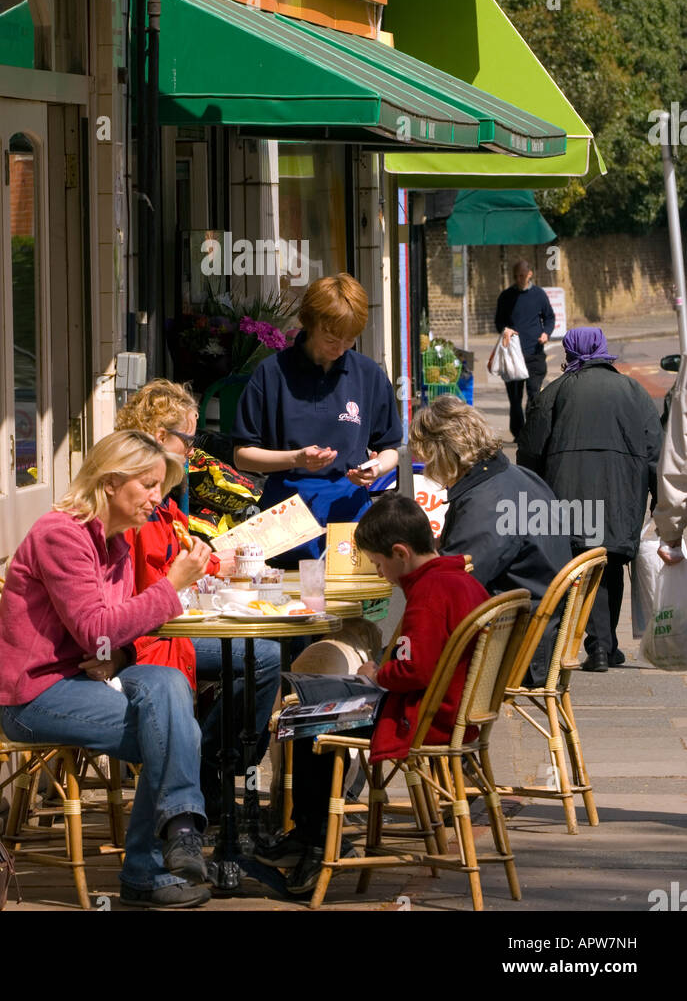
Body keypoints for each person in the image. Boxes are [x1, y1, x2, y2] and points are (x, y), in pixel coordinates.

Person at [0, 430, 216, 909]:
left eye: (161, 487)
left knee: (168, 680)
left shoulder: (117, 542)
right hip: (36, 694)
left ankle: (170, 842)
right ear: (111, 482)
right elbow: (96, 629)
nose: (158, 498)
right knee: (177, 734)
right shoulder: (61, 535)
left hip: (89, 677)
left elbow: (109, 637)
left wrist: (119, 655)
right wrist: (171, 587)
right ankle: (159, 856)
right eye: (149, 485)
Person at [256, 494, 489, 894]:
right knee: (318, 700)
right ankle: (311, 833)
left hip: (423, 716)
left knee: (307, 721)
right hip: (451, 712)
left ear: (400, 553)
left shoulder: (429, 594)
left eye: (379, 565)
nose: (381, 575)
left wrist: (377, 672)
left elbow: (415, 669)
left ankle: (316, 842)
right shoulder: (460, 580)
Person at [115, 379, 282, 816]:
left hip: (164, 626)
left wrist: (214, 563)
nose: (193, 451)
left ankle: (212, 768)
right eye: (188, 439)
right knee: (260, 657)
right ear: (158, 436)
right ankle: (212, 767)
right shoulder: (135, 499)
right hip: (147, 639)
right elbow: (149, 581)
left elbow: (176, 552)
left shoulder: (157, 491)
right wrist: (196, 574)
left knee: (261, 653)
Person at [517, 326, 663, 671]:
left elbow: (529, 453)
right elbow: (656, 450)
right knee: (609, 565)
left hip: (570, 495)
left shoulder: (555, 392)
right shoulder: (634, 391)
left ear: (569, 353)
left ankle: (592, 645)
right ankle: (603, 645)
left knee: (579, 565)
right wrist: (661, 501)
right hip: (621, 493)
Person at [233, 273, 403, 560]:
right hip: (284, 516)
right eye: (331, 339)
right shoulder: (271, 373)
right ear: (309, 324)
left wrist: (376, 469)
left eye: (349, 341)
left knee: (349, 598)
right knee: (284, 602)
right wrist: (296, 459)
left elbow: (390, 447)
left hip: (349, 513)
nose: (339, 349)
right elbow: (242, 455)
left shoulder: (368, 375)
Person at [409, 394, 572, 682]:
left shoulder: (487, 501)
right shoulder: (514, 477)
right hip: (537, 630)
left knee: (406, 664)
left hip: (517, 645)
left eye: (427, 459)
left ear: (444, 451)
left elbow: (454, 587)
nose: (427, 470)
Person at [495, 259, 556, 440]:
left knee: (534, 395)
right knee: (514, 399)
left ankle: (532, 432)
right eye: (517, 276)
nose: (520, 279)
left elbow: (550, 317)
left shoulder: (539, 295)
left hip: (534, 353)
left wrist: (546, 333)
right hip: (513, 355)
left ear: (530, 274)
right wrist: (505, 330)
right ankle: (518, 433)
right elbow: (499, 321)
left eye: (523, 275)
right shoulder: (506, 296)